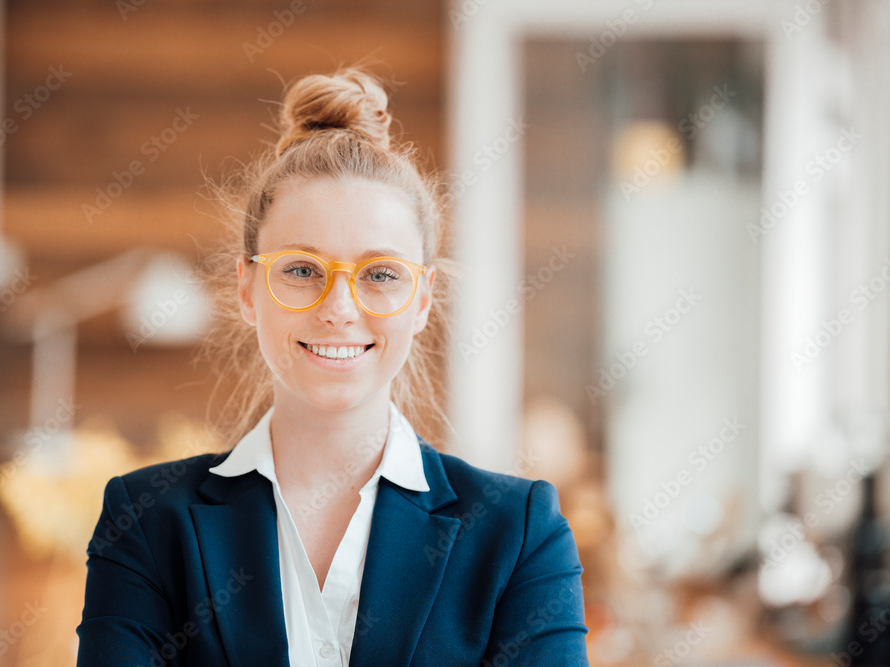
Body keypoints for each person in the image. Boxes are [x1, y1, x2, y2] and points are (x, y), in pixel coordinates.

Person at [75, 67, 589, 666]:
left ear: (420, 302)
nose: (339, 310)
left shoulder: (519, 535)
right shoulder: (144, 522)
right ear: (247, 288)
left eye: (380, 275)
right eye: (301, 270)